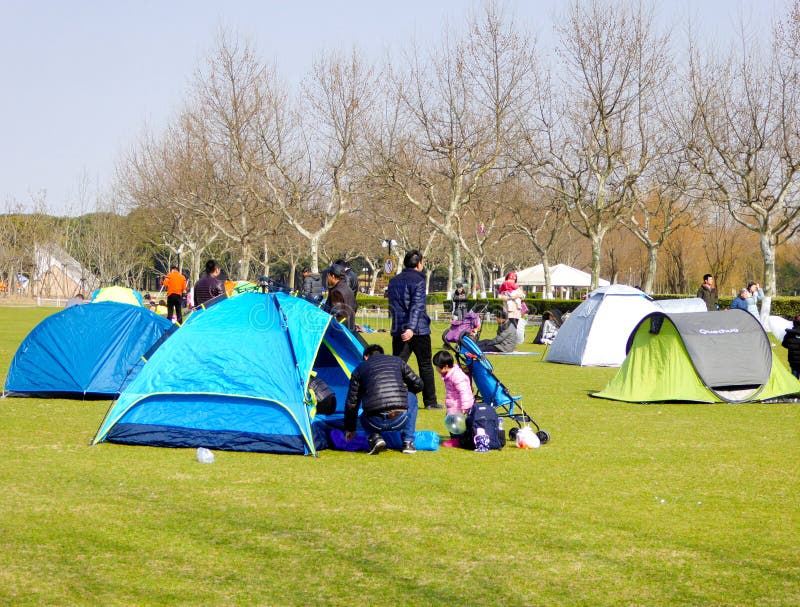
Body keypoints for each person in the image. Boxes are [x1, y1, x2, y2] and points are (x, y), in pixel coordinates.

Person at [344, 344, 423, 455]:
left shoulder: (359, 369)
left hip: (373, 422)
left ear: (366, 357)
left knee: (363, 411)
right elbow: (418, 384)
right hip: (399, 418)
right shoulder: (397, 361)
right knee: (412, 397)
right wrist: (402, 391)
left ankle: (375, 437)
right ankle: (408, 442)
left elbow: (352, 403)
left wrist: (350, 429)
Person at [387, 249, 440, 409]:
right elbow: (417, 306)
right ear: (419, 264)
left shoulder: (394, 281)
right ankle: (430, 401)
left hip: (399, 328)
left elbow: (393, 306)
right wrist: (411, 328)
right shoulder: (419, 280)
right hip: (418, 329)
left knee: (397, 366)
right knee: (425, 365)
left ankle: (393, 399)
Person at [433, 350, 474, 448]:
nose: (436, 369)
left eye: (437, 367)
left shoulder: (457, 376)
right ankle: (456, 439)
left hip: (458, 406)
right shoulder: (449, 375)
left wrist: (465, 406)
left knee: (455, 423)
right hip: (453, 404)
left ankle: (456, 441)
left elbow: (465, 391)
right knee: (451, 422)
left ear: (446, 366)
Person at [324, 263, 356, 331]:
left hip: (340, 330)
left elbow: (336, 314)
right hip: (350, 327)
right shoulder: (347, 288)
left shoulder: (336, 291)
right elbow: (355, 307)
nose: (327, 278)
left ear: (332, 276)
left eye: (328, 275)